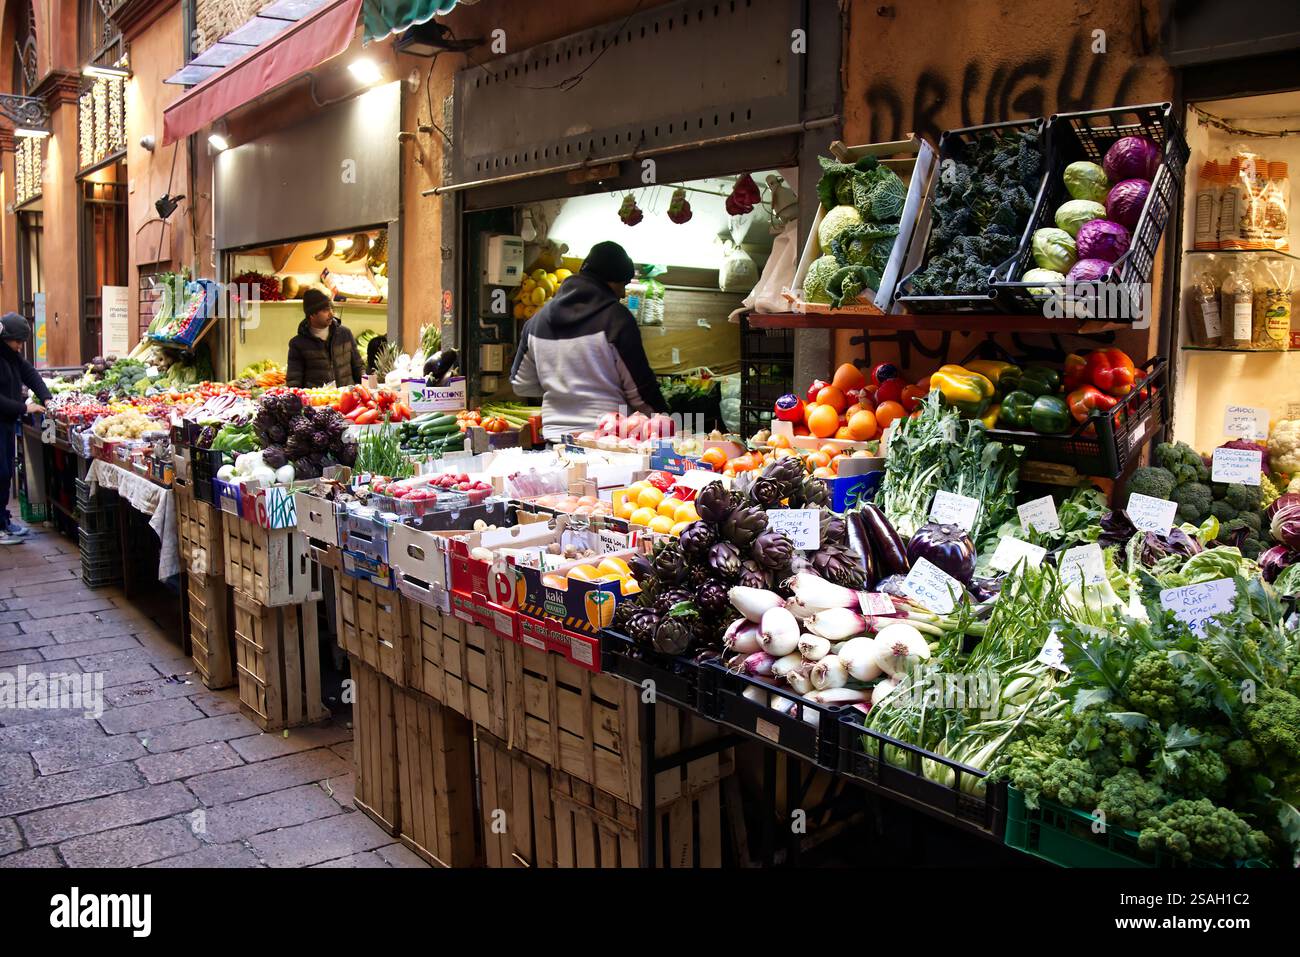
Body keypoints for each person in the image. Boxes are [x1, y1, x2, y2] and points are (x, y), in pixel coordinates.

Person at [510, 241, 667, 442]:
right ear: (611, 282)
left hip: (554, 439)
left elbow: (521, 385)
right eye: (623, 285)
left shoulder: (536, 323)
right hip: (606, 441)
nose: (623, 294)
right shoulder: (616, 319)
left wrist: (562, 387)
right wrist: (663, 419)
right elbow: (640, 392)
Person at [0, 313, 53, 544]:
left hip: (6, 423)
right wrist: (25, 407)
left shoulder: (11, 355)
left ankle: (3, 522)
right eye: (18, 341)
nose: (20, 346)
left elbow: (29, 373)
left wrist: (46, 397)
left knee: (5, 473)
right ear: (6, 337)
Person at [286, 288, 363, 388]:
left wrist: (368, 388)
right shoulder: (298, 344)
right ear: (312, 315)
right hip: (318, 401)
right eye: (325, 310)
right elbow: (294, 381)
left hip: (347, 397)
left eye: (331, 309)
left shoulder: (344, 334)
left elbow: (358, 366)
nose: (331, 314)